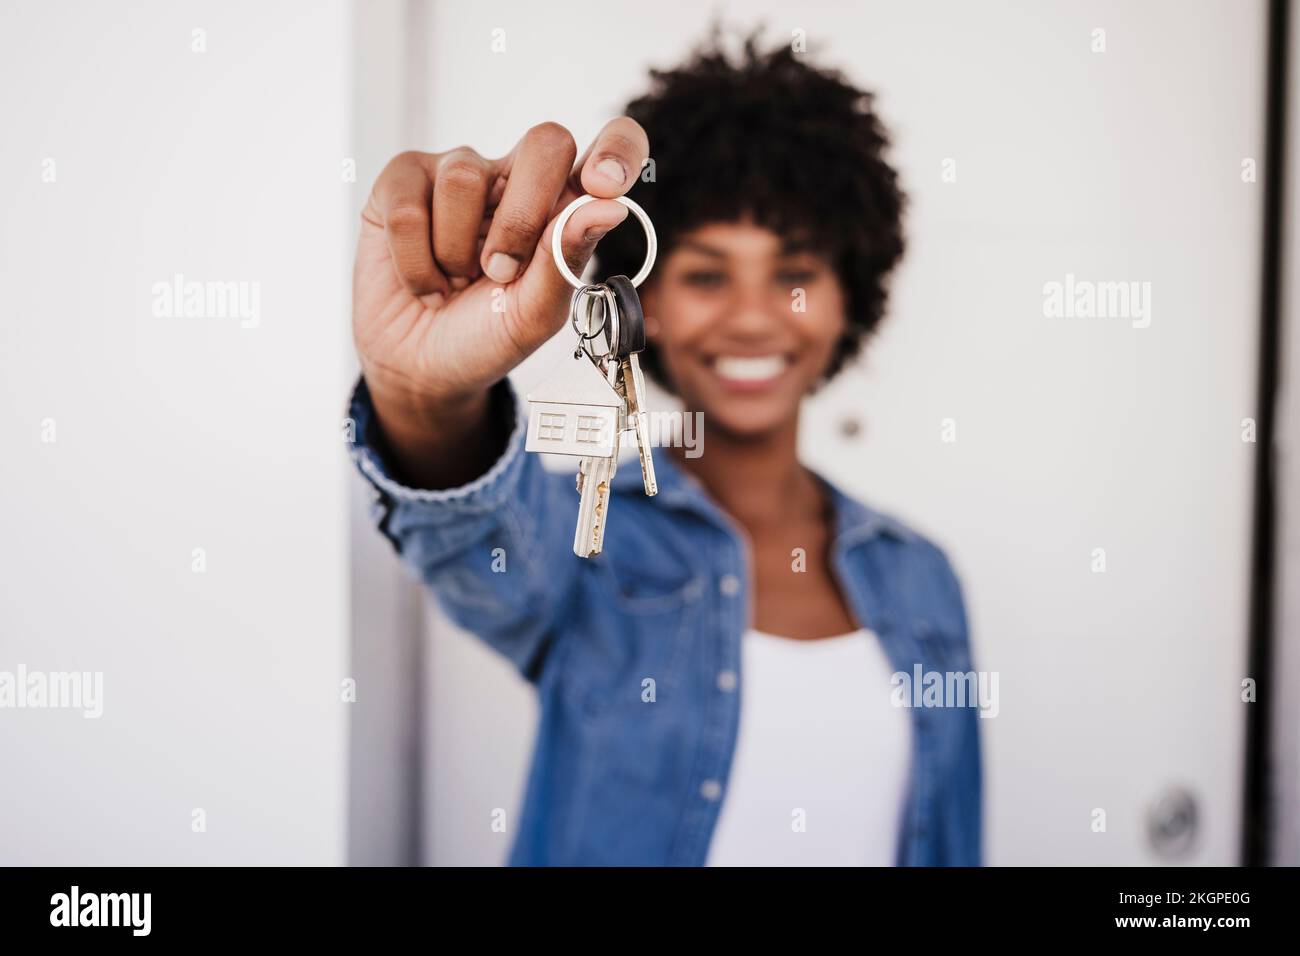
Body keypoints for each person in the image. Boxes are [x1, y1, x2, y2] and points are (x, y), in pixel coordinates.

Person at [347, 34, 982, 866]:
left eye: (793, 273)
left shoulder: (922, 579)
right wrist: (425, 393)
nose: (753, 317)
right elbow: (476, 531)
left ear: (847, 295)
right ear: (638, 296)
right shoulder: (593, 543)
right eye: (707, 276)